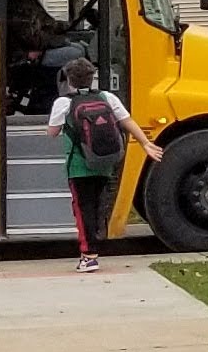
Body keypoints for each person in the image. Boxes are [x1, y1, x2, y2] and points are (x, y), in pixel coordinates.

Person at [47, 60, 158, 272]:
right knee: (97, 204)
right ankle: (95, 244)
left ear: (69, 80)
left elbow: (52, 132)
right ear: (92, 78)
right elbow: (128, 121)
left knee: (82, 208)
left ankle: (88, 255)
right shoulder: (107, 97)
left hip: (79, 165)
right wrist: (145, 143)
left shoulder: (64, 103)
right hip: (105, 162)